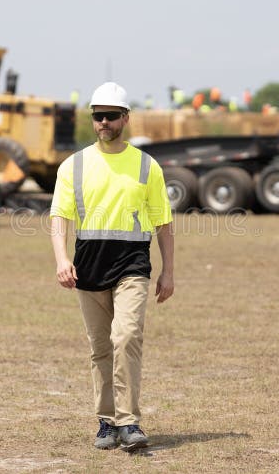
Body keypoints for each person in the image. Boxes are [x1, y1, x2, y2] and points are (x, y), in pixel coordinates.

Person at [49, 81, 175, 452]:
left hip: (133, 265)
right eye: (97, 116)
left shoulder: (145, 166)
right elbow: (59, 217)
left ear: (125, 119)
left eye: (111, 116)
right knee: (100, 347)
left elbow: (163, 224)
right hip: (88, 268)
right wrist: (61, 259)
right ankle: (106, 422)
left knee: (127, 337)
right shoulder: (74, 166)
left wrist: (168, 271)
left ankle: (129, 421)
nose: (103, 122)